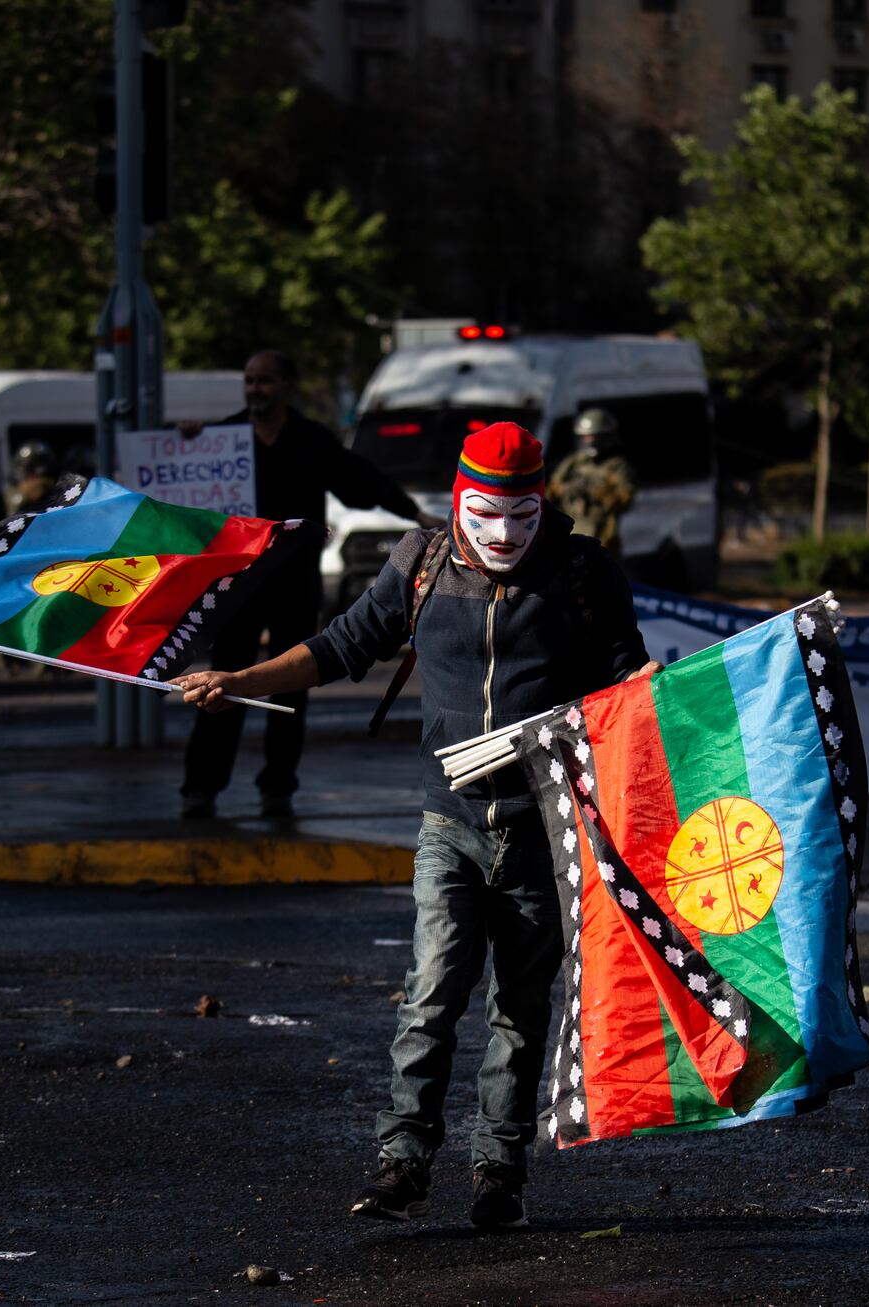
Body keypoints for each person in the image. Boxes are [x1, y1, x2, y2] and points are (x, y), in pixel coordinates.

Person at [173, 422, 657, 1229]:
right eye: (487, 513)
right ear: (459, 500)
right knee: (432, 991)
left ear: (545, 503)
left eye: (523, 515)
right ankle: (402, 1161)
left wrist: (645, 683)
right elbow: (337, 646)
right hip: (450, 822)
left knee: (520, 1005)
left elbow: (622, 680)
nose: (504, 533)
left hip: (544, 824)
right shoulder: (421, 561)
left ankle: (499, 1173)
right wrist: (237, 679)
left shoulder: (583, 571)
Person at [178, 349, 441, 821]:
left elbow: (362, 480)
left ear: (287, 386)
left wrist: (415, 514)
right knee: (221, 685)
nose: (255, 390)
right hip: (237, 588)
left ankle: (277, 788)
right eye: (250, 381)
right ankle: (201, 788)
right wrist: (184, 444)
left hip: (293, 586)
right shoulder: (222, 439)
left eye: (265, 381)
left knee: (291, 688)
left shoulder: (311, 440)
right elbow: (178, 486)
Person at [547, 407, 635, 555]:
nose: (590, 442)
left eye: (595, 438)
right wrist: (568, 489)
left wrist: (598, 492)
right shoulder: (572, 463)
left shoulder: (616, 466)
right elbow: (551, 492)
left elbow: (624, 499)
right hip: (569, 535)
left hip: (601, 537)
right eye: (586, 438)